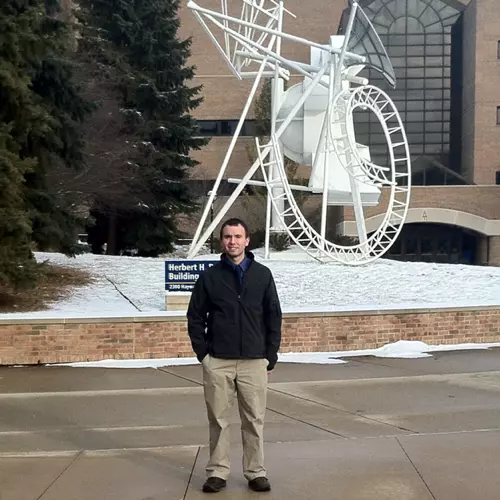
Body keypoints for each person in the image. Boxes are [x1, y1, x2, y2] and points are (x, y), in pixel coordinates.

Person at [187, 217, 282, 494]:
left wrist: (270, 356)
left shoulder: (263, 275)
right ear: (222, 241)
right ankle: (217, 471)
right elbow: (195, 317)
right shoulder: (210, 277)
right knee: (218, 419)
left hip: (254, 360)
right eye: (228, 236)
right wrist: (203, 354)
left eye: (237, 236)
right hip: (218, 361)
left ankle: (256, 472)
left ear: (247, 240)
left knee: (254, 419)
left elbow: (273, 317)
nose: (233, 241)